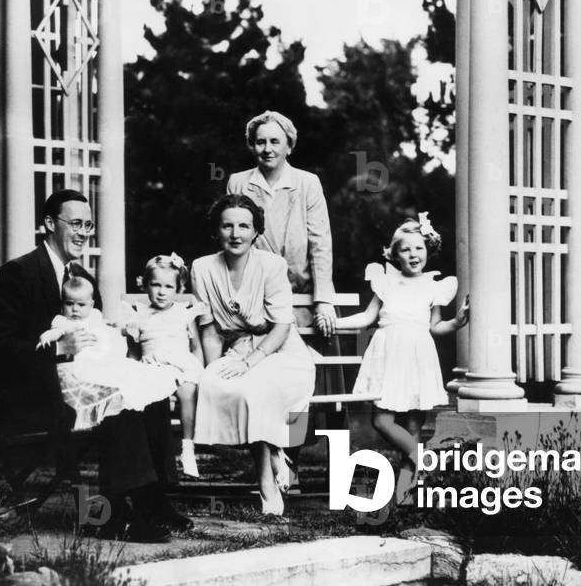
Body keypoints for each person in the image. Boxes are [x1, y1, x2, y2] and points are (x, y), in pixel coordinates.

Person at [0, 189, 189, 542]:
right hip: (33, 393)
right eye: (75, 224)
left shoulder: (80, 275)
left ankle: (152, 499)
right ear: (49, 223)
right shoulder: (18, 273)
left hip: (78, 380)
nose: (83, 232)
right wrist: (57, 348)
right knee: (118, 400)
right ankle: (110, 516)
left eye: (88, 225)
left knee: (147, 386)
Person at [226, 110, 340, 483]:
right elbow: (233, 240)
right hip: (256, 297)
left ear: (289, 145)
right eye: (260, 141)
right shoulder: (239, 182)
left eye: (275, 141)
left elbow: (320, 241)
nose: (267, 148)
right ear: (251, 146)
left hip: (299, 296)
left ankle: (290, 459)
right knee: (262, 376)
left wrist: (323, 298)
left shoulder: (307, 183)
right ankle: (270, 462)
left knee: (296, 378)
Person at [190, 194, 316, 516]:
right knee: (223, 385)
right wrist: (214, 371)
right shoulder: (202, 268)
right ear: (216, 230)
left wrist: (249, 363)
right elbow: (209, 330)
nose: (236, 234)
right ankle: (274, 454)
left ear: (256, 231)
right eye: (227, 226)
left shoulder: (272, 265)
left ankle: (265, 483)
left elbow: (282, 327)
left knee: (255, 389)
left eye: (244, 226)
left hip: (281, 351)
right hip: (237, 350)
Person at [335, 213, 470, 503]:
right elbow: (366, 318)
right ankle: (425, 462)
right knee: (381, 420)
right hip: (388, 356)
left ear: (428, 250)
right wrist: (335, 323)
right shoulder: (386, 282)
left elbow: (436, 326)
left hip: (417, 356)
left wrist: (457, 322)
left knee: (412, 426)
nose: (413, 254)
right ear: (394, 254)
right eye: (405, 249)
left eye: (419, 248)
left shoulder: (433, 285)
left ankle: (405, 495)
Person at [37, 276, 178, 432]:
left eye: (81, 305)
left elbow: (104, 327)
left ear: (91, 305)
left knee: (135, 377)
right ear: (63, 305)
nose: (75, 309)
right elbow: (56, 332)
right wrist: (47, 337)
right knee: (113, 384)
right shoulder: (64, 322)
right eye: (69, 304)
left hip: (101, 361)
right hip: (80, 364)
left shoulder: (94, 316)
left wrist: (113, 327)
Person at [122, 253, 206, 478]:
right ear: (145, 285)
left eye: (168, 286)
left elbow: (196, 347)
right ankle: (150, 460)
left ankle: (187, 448)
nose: (161, 292)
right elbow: (133, 352)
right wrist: (130, 372)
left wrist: (200, 371)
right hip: (151, 368)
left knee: (188, 390)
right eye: (155, 285)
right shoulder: (138, 316)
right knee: (146, 397)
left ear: (178, 289)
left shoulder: (183, 314)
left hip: (180, 366)